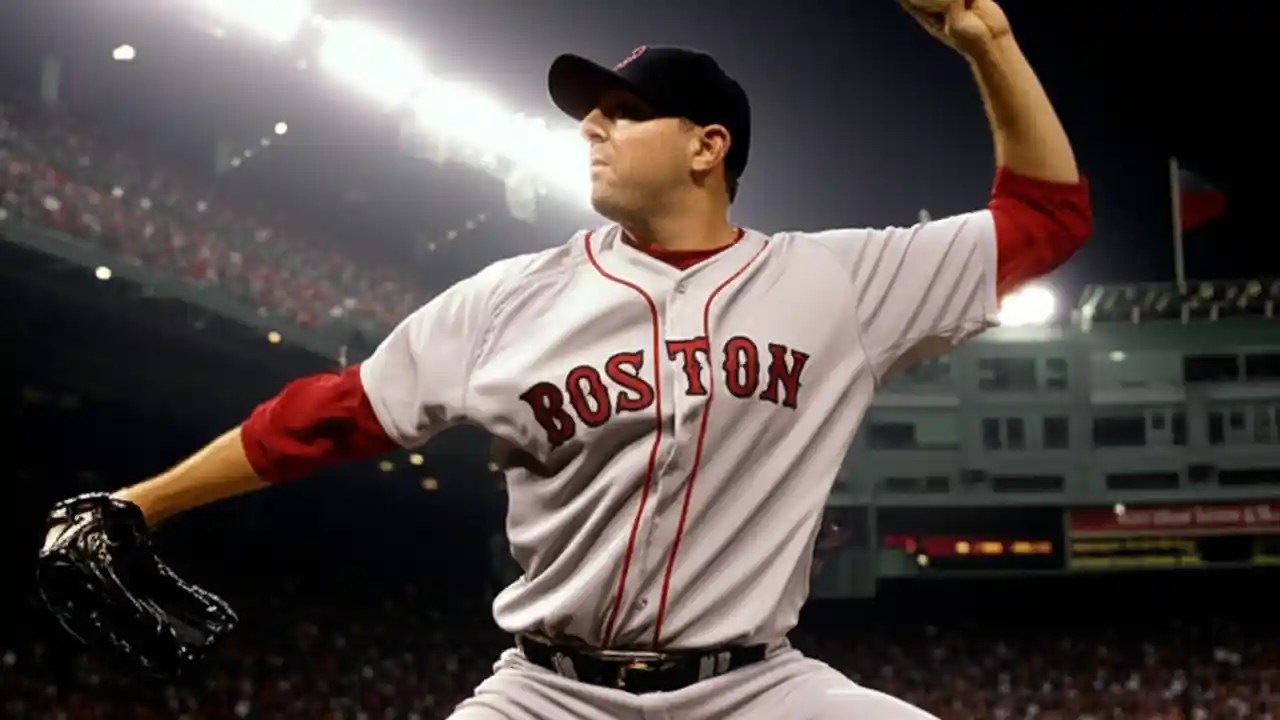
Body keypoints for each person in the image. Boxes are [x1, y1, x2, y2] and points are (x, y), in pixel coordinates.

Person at [102, 1, 1091, 717]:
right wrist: (140, 504)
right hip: (544, 693)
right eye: (590, 110)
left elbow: (1046, 219)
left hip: (756, 688)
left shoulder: (836, 281)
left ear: (708, 147)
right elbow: (333, 413)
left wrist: (989, 41)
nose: (589, 125)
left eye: (623, 110)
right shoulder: (509, 295)